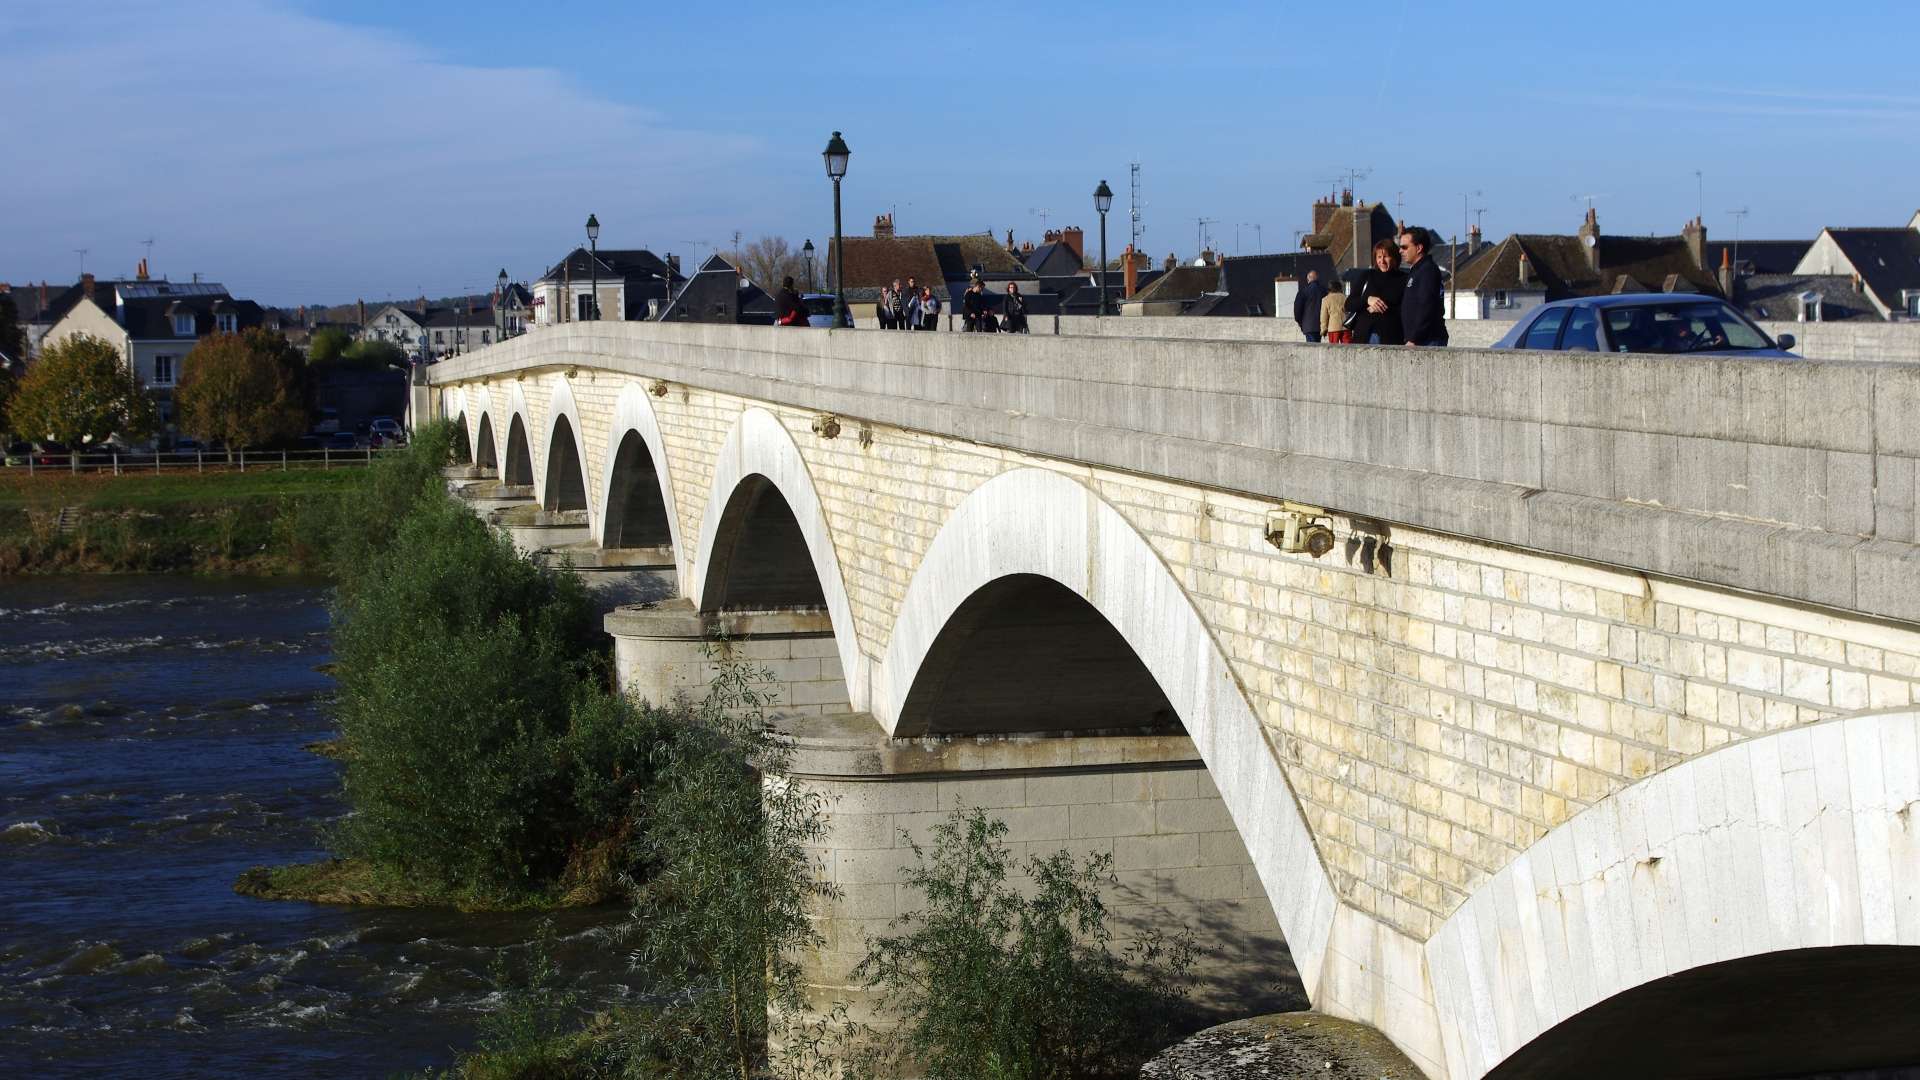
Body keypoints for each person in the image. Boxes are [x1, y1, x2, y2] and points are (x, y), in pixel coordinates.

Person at [1348, 239, 1408, 345]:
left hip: (1391, 337)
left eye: (1386, 256)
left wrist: (1381, 308)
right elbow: (1348, 304)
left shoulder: (1404, 279)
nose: (1382, 261)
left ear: (1394, 257)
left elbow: (1407, 309)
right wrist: (1367, 300)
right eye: (1379, 257)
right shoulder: (1367, 276)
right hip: (1363, 337)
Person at [1398, 226, 1449, 347]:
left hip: (1428, 340)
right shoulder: (1417, 270)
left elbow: (1426, 307)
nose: (1400, 251)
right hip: (1421, 340)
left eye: (1404, 247)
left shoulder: (1427, 271)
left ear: (1419, 248)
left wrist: (1414, 338)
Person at [1294, 269, 1327, 342]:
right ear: (1317, 278)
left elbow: (1297, 310)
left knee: (1312, 348)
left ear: (1308, 279)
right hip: (1321, 324)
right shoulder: (1324, 291)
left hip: (1308, 326)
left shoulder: (1303, 291)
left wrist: (1301, 323)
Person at [1320, 276, 1348, 343]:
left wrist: (1323, 329)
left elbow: (1324, 316)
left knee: (1333, 349)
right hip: (1346, 327)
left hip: (1333, 328)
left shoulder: (1326, 299)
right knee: (1348, 348)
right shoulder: (1345, 297)